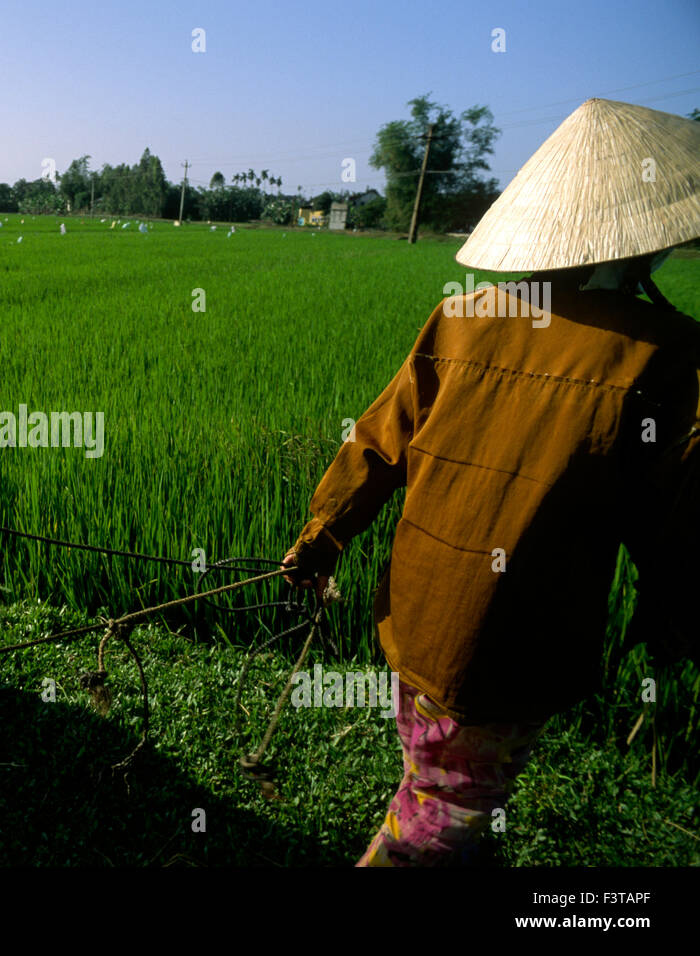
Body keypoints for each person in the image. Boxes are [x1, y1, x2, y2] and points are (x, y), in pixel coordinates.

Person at [282, 98, 700, 866]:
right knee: (450, 807)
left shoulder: (462, 318)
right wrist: (672, 624)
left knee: (436, 772)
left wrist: (322, 535)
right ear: (649, 245)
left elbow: (374, 442)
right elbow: (683, 521)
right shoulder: (667, 357)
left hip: (418, 613)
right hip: (512, 635)